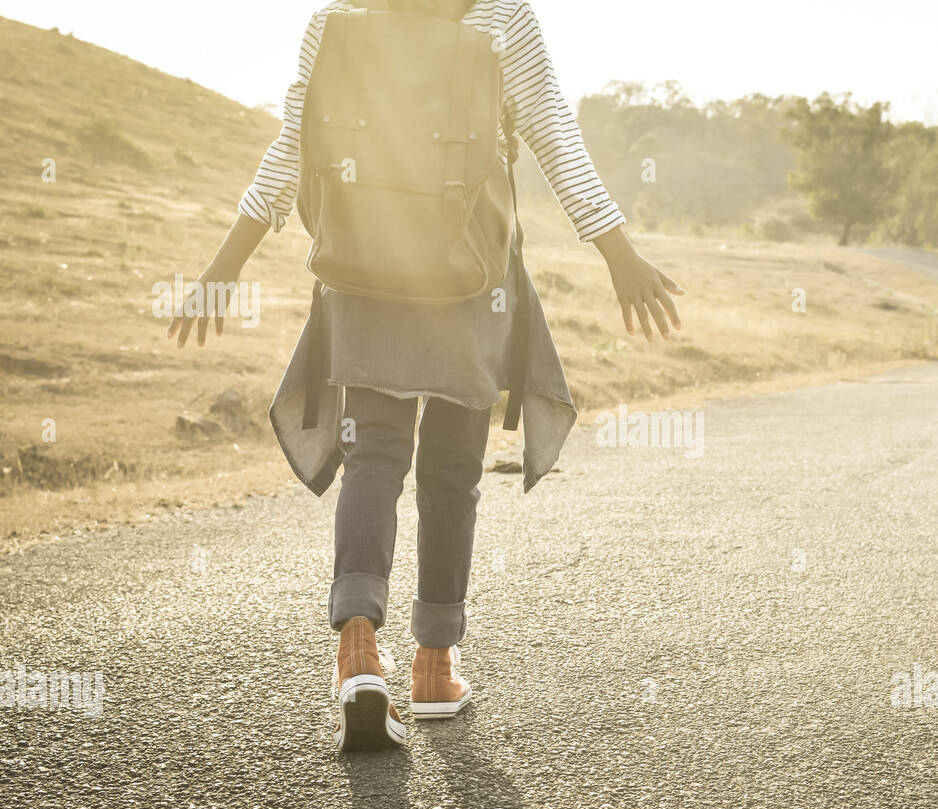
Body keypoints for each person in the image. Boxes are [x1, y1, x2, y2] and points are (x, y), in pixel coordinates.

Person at [170, 0, 684, 751]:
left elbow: (292, 150)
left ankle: (356, 654)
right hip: (471, 278)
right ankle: (435, 667)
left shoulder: (334, 21)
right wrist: (618, 252)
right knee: (452, 469)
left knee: (371, 454)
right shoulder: (503, 16)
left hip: (361, 269)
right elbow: (553, 135)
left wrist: (224, 265)